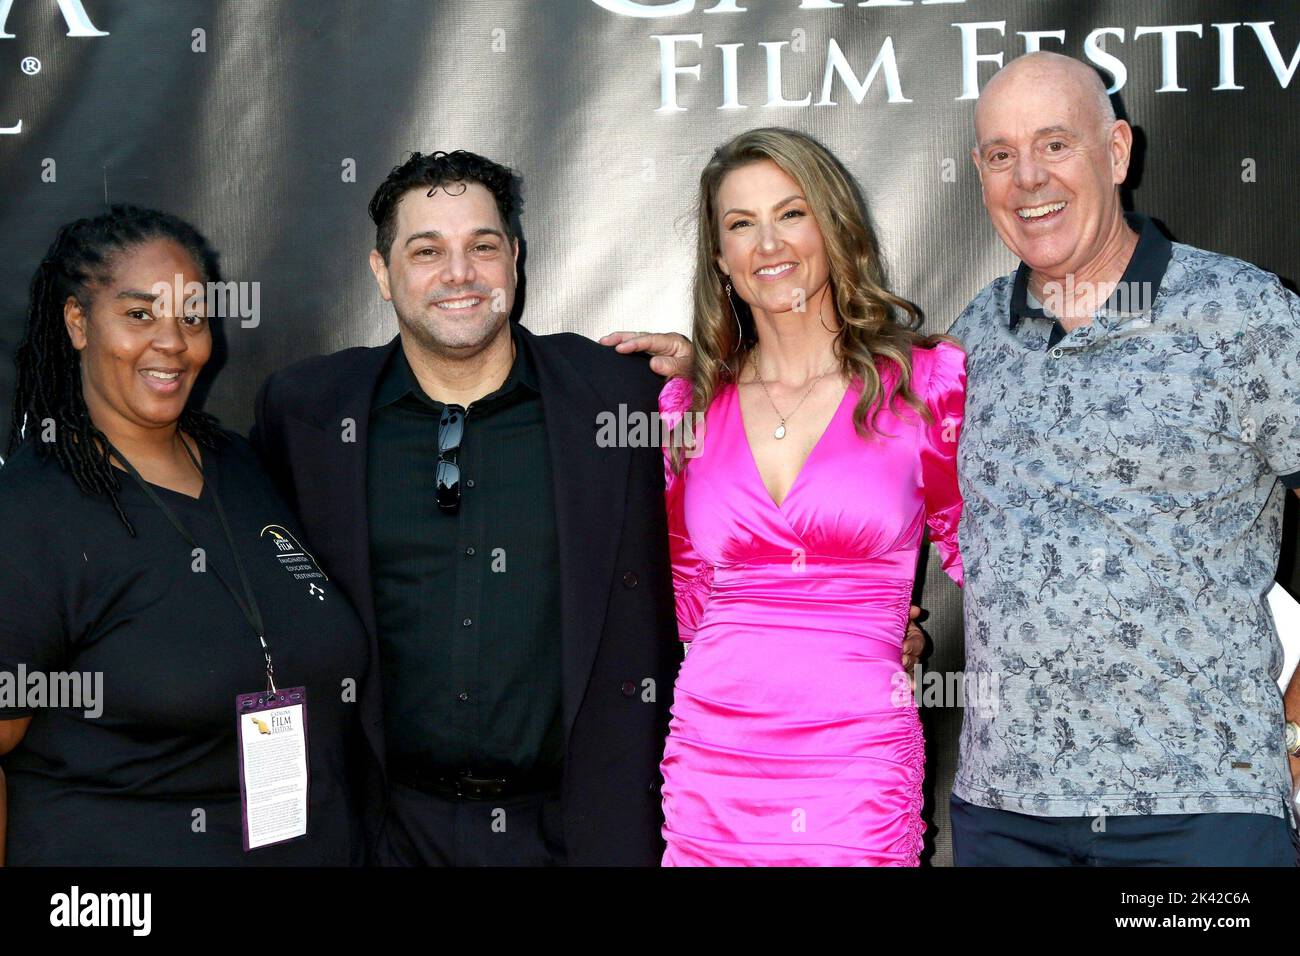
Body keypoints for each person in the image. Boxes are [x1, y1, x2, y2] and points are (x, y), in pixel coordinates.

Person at [949, 51, 1300, 866]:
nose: (1028, 178)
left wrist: (1295, 721)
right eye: (1002, 155)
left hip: (1199, 814)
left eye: (1055, 145)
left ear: (1116, 153)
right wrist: (710, 375)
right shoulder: (975, 337)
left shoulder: (1243, 314)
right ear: (980, 172)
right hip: (1004, 817)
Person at [0, 206, 370, 865]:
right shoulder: (30, 513)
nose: (172, 341)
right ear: (78, 322)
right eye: (140, 315)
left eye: (191, 316)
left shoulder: (244, 467)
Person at [653, 127, 965, 866]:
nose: (769, 243)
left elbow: (996, 563)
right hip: (713, 757)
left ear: (833, 228)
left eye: (791, 213)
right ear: (720, 258)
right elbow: (683, 602)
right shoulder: (684, 410)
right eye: (740, 224)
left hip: (856, 758)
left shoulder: (929, 386)